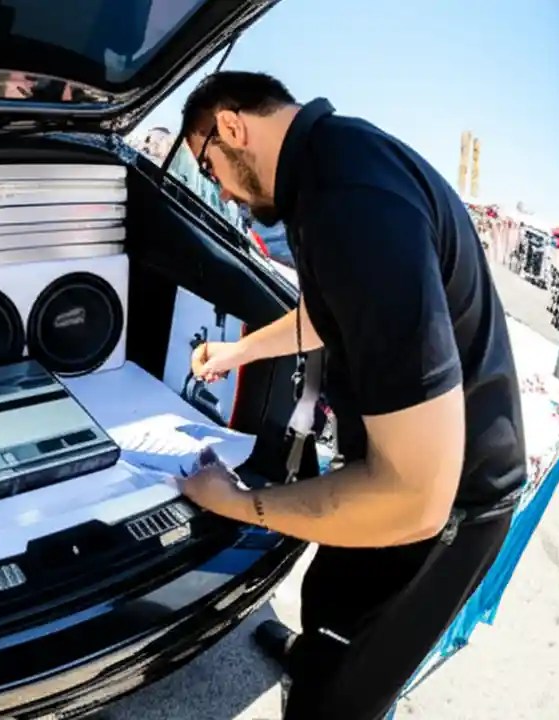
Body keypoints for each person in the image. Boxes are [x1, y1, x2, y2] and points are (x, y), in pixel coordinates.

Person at [175, 72, 526, 719]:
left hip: (449, 509)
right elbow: (329, 309)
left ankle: (325, 684)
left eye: (208, 165)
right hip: (388, 468)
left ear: (230, 127)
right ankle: (312, 655)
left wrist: (240, 503)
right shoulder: (330, 167)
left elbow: (413, 500)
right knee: (328, 599)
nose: (219, 190)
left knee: (346, 693)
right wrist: (240, 350)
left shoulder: (352, 203)